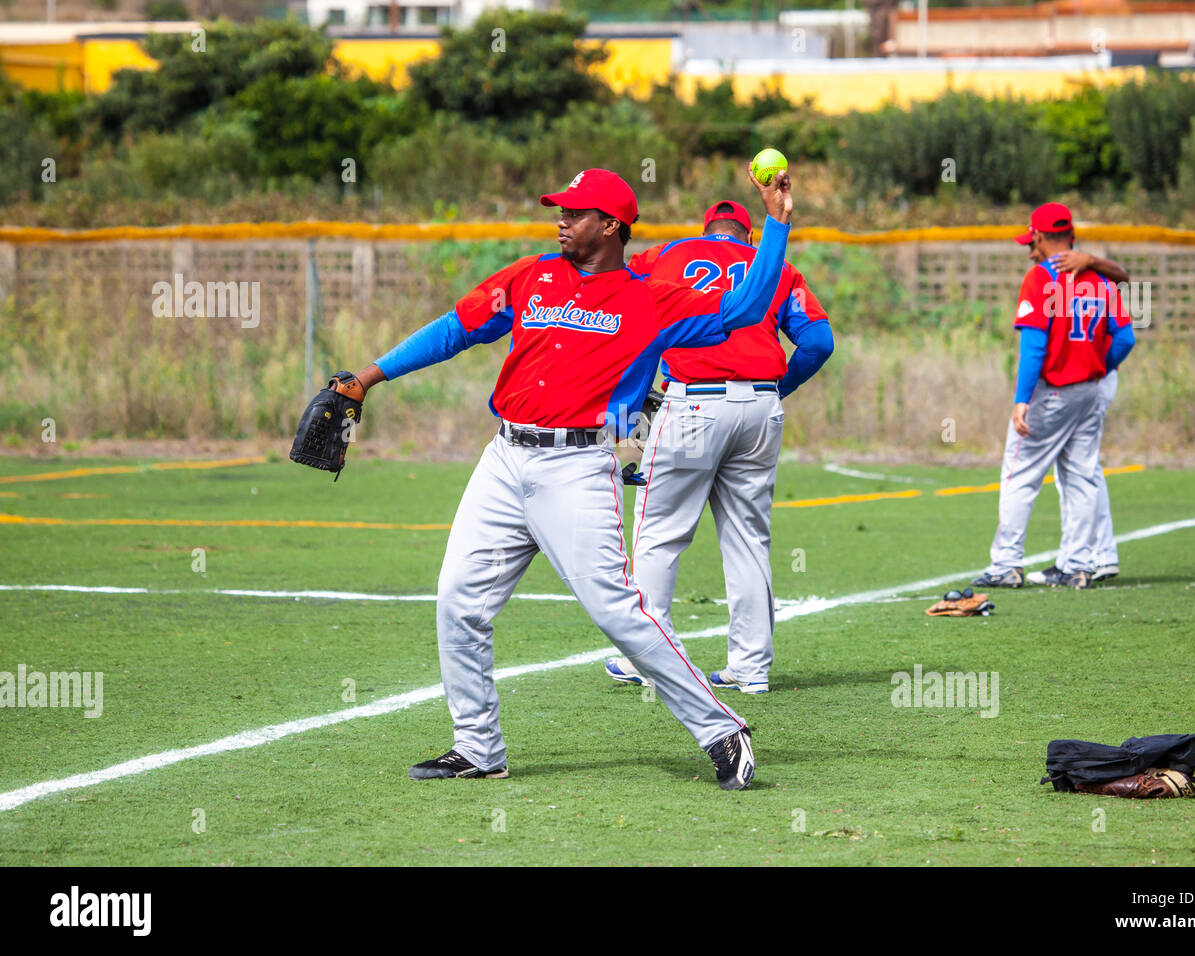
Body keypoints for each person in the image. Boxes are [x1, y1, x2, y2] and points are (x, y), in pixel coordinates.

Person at [339, 166, 794, 791]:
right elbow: (454, 329)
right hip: (503, 458)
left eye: (575, 212)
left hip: (576, 465)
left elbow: (745, 307)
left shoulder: (648, 295)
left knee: (618, 610)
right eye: (560, 209)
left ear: (611, 226)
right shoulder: (531, 276)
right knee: (458, 599)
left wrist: (776, 223)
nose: (561, 219)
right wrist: (368, 377)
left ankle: (722, 731)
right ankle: (477, 747)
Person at [602, 200, 833, 695]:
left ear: (705, 231)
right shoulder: (777, 268)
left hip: (693, 405)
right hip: (760, 412)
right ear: (749, 238)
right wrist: (777, 388)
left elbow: (617, 299)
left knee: (660, 533)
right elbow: (818, 342)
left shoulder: (665, 256)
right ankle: (750, 669)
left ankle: (647, 658)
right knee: (749, 540)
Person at [971, 202, 1136, 591]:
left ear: (1041, 237)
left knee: (1020, 476)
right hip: (1090, 391)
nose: (1032, 247)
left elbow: (1034, 345)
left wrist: (1022, 399)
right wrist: (1097, 366)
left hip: (1052, 392)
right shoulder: (1100, 281)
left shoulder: (1039, 279)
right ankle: (1079, 566)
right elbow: (1126, 338)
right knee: (1081, 477)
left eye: (1033, 240)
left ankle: (1007, 564)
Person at [1020, 239, 1131, 586]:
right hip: (1093, 377)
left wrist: (1097, 367)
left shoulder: (1083, 276)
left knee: (1078, 472)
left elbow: (1125, 329)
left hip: (1086, 379)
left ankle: (1086, 559)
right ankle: (1093, 557)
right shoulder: (1092, 280)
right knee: (1083, 469)